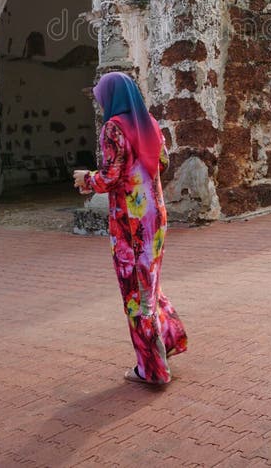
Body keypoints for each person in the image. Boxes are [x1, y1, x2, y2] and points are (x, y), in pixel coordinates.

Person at [73, 71, 187, 386]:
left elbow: (110, 176)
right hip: (156, 217)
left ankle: (152, 369)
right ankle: (169, 339)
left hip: (130, 222)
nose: (99, 104)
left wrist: (86, 178)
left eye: (101, 97)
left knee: (136, 295)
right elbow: (162, 162)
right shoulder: (148, 123)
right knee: (149, 286)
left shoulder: (113, 128)